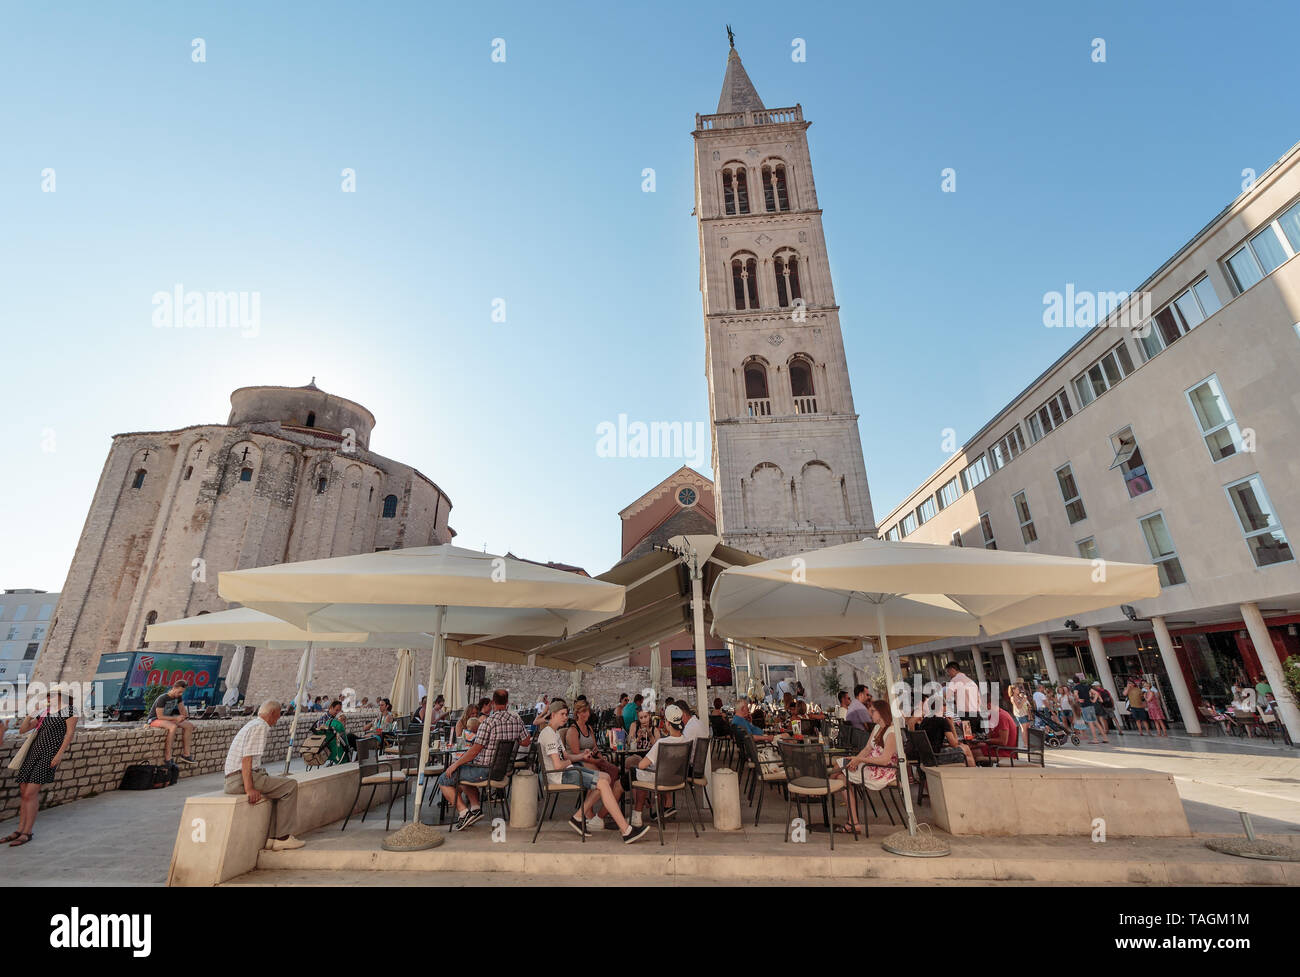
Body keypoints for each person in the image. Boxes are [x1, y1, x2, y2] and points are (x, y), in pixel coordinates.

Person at [539, 699, 649, 843]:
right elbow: (559, 765)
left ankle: (579, 816)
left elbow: (567, 756)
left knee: (606, 777)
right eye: (562, 714)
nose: (566, 717)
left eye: (566, 714)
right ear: (552, 715)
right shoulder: (549, 734)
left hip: (569, 771)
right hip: (559, 776)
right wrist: (574, 760)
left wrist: (581, 756)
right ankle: (626, 830)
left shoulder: (554, 732)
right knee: (603, 783)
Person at [437, 689, 531, 831]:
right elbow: (526, 742)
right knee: (465, 769)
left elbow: (475, 750)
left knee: (444, 778)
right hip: (503, 771)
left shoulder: (488, 723)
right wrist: (513, 737)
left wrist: (455, 764)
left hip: (485, 771)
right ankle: (475, 808)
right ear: (507, 702)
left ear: (493, 703)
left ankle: (463, 812)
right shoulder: (516, 719)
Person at [223, 700, 304, 850]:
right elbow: (246, 760)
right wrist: (249, 789)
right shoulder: (260, 727)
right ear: (272, 714)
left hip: (234, 777)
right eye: (278, 716)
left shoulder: (253, 724)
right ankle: (282, 838)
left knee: (280, 785)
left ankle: (272, 839)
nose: (277, 720)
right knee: (289, 786)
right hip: (239, 779)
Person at [5, 687, 79, 847]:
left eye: (52, 695)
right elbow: (23, 729)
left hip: (48, 754)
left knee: (31, 793)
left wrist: (59, 755)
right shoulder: (45, 712)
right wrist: (31, 713)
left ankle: (27, 832)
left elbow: (69, 733)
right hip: (33, 753)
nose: (49, 697)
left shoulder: (70, 710)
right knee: (24, 792)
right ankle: (20, 830)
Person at [830, 697, 900, 834]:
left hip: (884, 771)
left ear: (881, 712)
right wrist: (857, 759)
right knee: (841, 776)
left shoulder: (891, 731)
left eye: (873, 711)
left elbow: (885, 760)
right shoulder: (879, 728)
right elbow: (867, 748)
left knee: (840, 765)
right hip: (872, 765)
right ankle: (853, 823)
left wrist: (861, 760)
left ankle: (825, 788)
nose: (870, 714)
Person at [628, 704, 689, 826]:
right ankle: (658, 808)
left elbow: (641, 765)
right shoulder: (686, 740)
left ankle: (635, 815)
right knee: (640, 773)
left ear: (667, 723)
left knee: (631, 774)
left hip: (659, 778)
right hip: (677, 779)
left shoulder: (662, 742)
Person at [565, 700, 623, 825]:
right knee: (597, 772)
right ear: (577, 713)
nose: (587, 714)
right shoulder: (573, 730)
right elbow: (576, 754)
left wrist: (600, 757)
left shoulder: (589, 728)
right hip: (577, 762)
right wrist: (596, 761)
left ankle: (606, 805)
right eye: (584, 712)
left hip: (590, 758)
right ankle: (588, 810)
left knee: (613, 770)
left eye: (588, 711)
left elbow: (595, 747)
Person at [150, 680, 196, 765]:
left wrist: (183, 716)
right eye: (180, 692)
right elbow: (159, 716)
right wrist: (175, 719)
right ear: (174, 688)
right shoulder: (163, 698)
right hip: (154, 719)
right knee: (173, 727)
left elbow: (182, 710)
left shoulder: (178, 697)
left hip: (167, 719)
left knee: (189, 726)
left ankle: (186, 755)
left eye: (182, 692)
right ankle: (168, 758)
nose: (181, 694)